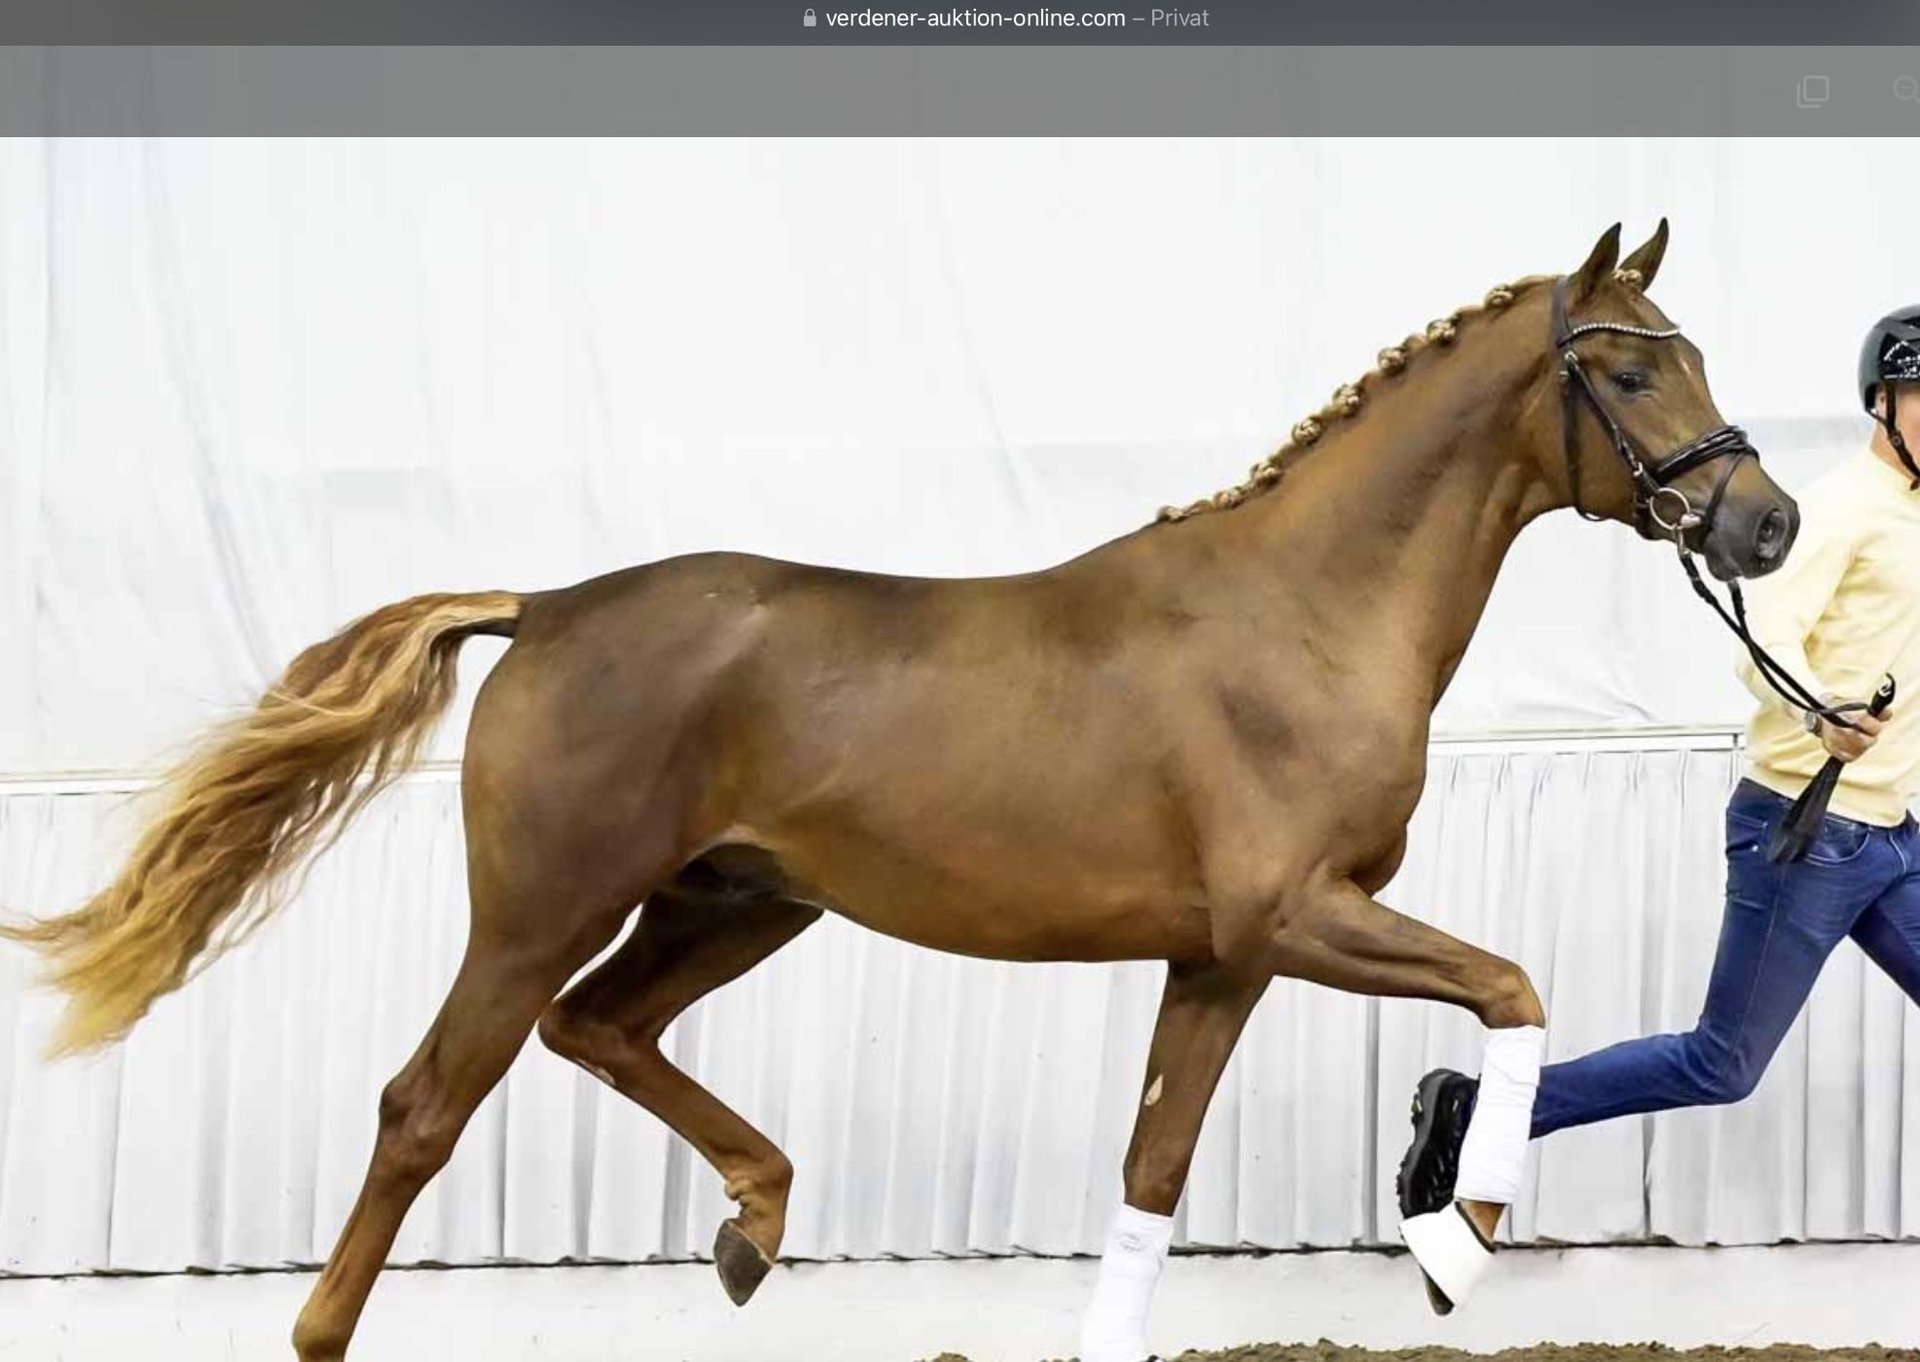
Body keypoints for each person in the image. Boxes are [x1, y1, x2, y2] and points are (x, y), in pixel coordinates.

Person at [1396, 305, 1920, 1249]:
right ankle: (1482, 1109)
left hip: (1894, 837)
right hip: (1807, 837)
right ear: (1883, 403)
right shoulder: (1845, 508)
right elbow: (1762, 639)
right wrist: (1819, 711)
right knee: (1722, 1064)